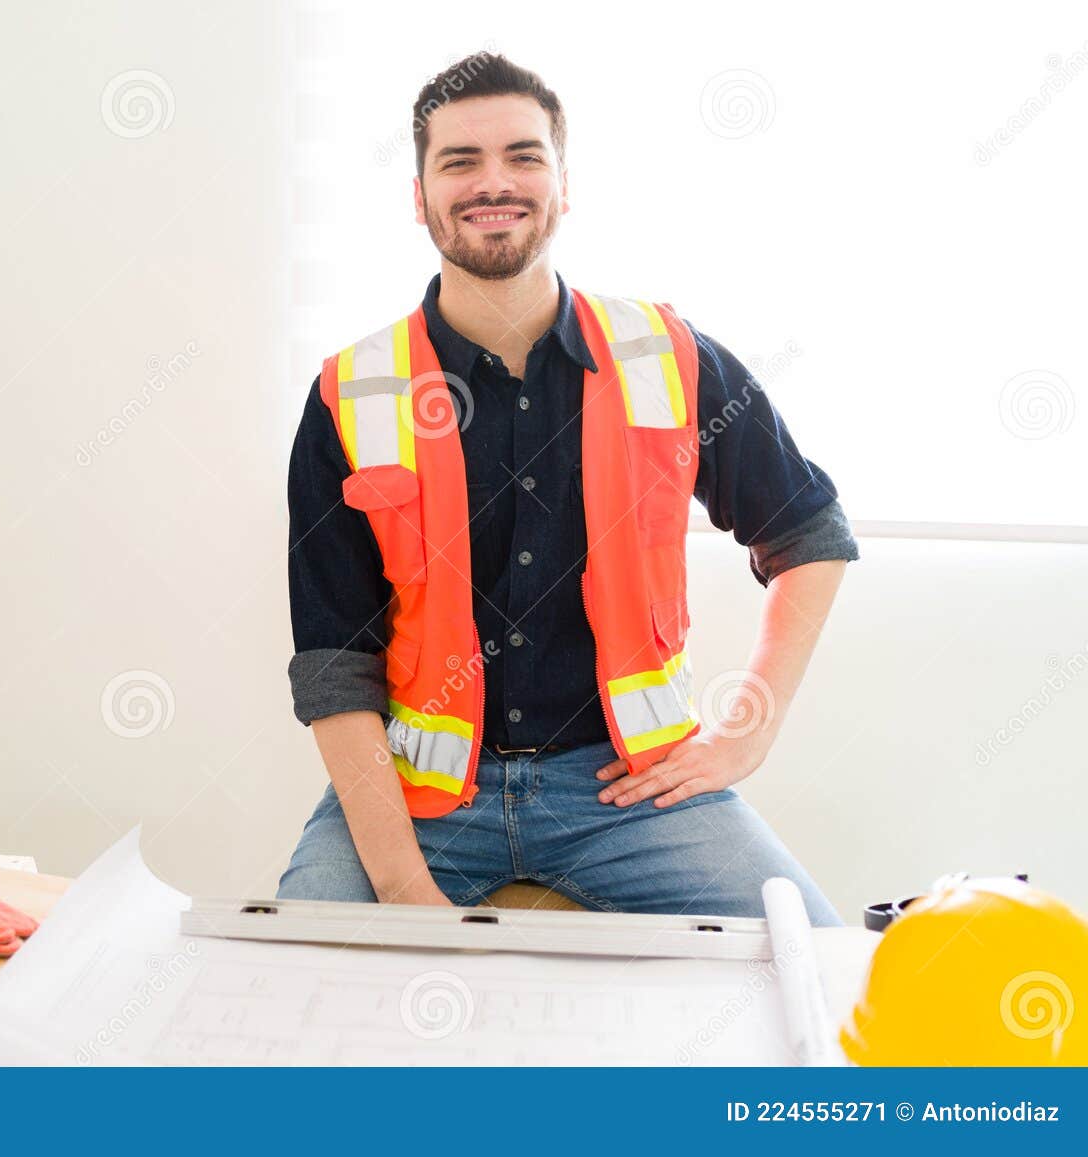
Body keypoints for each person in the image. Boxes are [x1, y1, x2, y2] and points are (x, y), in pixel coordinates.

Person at [278, 53, 857, 925]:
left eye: (524, 154)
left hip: (629, 793)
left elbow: (809, 534)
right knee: (294, 973)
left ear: (562, 182)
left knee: (810, 952)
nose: (493, 182)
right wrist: (404, 893)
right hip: (420, 804)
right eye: (459, 161)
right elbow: (334, 668)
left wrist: (746, 733)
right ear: (420, 194)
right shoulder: (350, 393)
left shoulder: (667, 355)